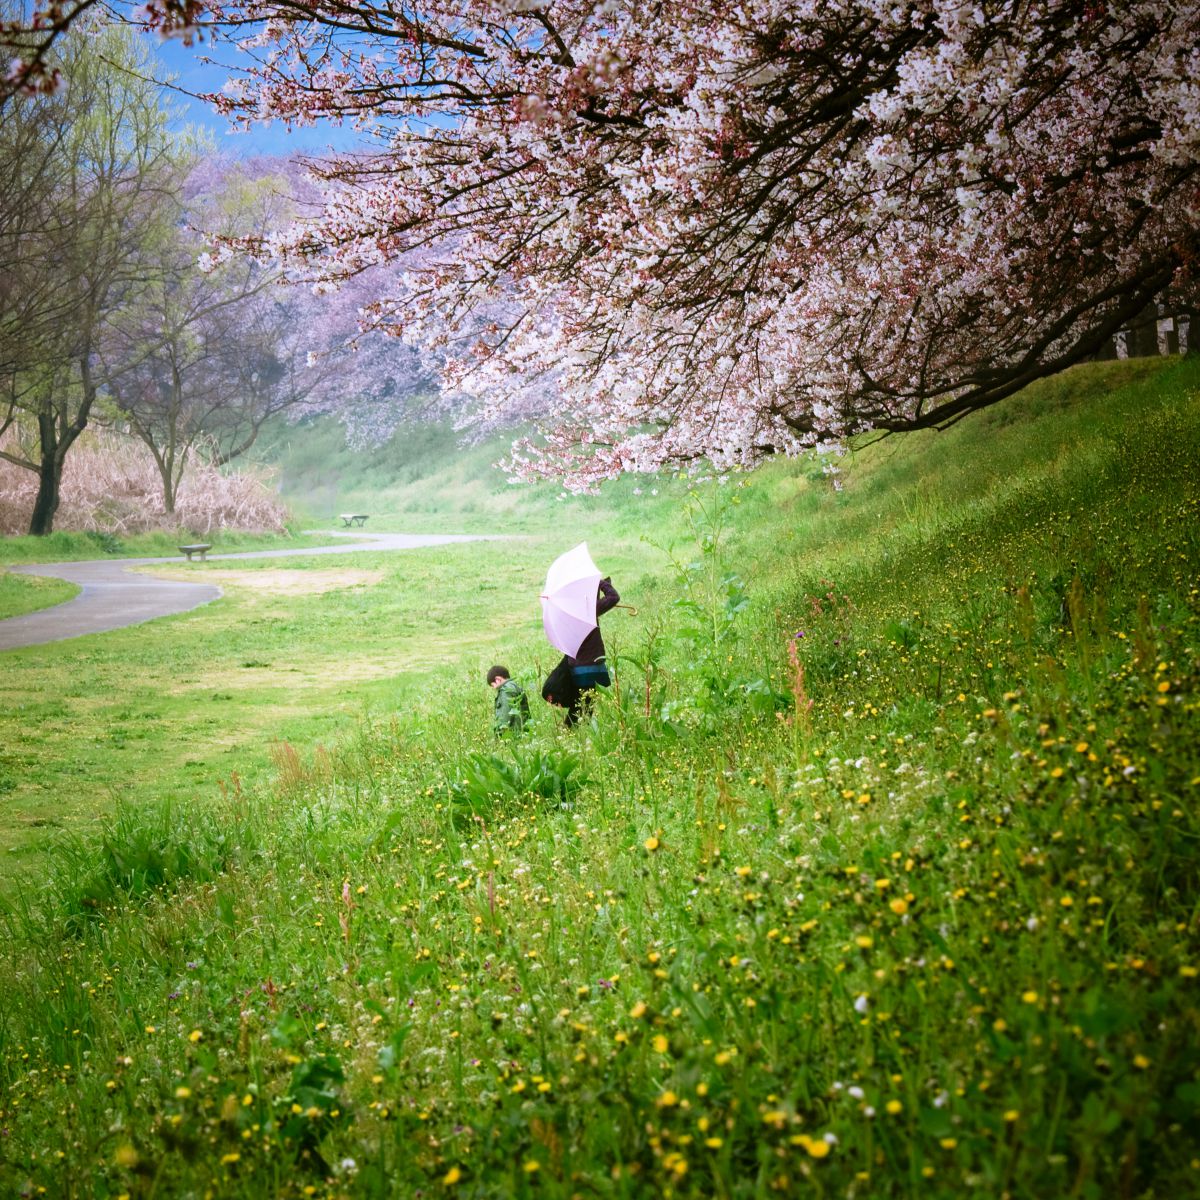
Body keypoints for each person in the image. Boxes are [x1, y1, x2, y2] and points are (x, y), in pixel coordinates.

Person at [561, 576, 619, 723]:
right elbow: (613, 597)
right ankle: (573, 732)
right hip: (590, 666)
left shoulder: (567, 611)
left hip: (575, 666)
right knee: (585, 708)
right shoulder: (588, 609)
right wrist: (600, 583)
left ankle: (572, 733)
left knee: (581, 705)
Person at [487, 665, 530, 734]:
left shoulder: (505, 691)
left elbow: (505, 713)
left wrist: (500, 733)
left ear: (498, 679)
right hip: (523, 731)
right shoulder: (516, 686)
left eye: (493, 685)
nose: (494, 688)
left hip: (513, 734)